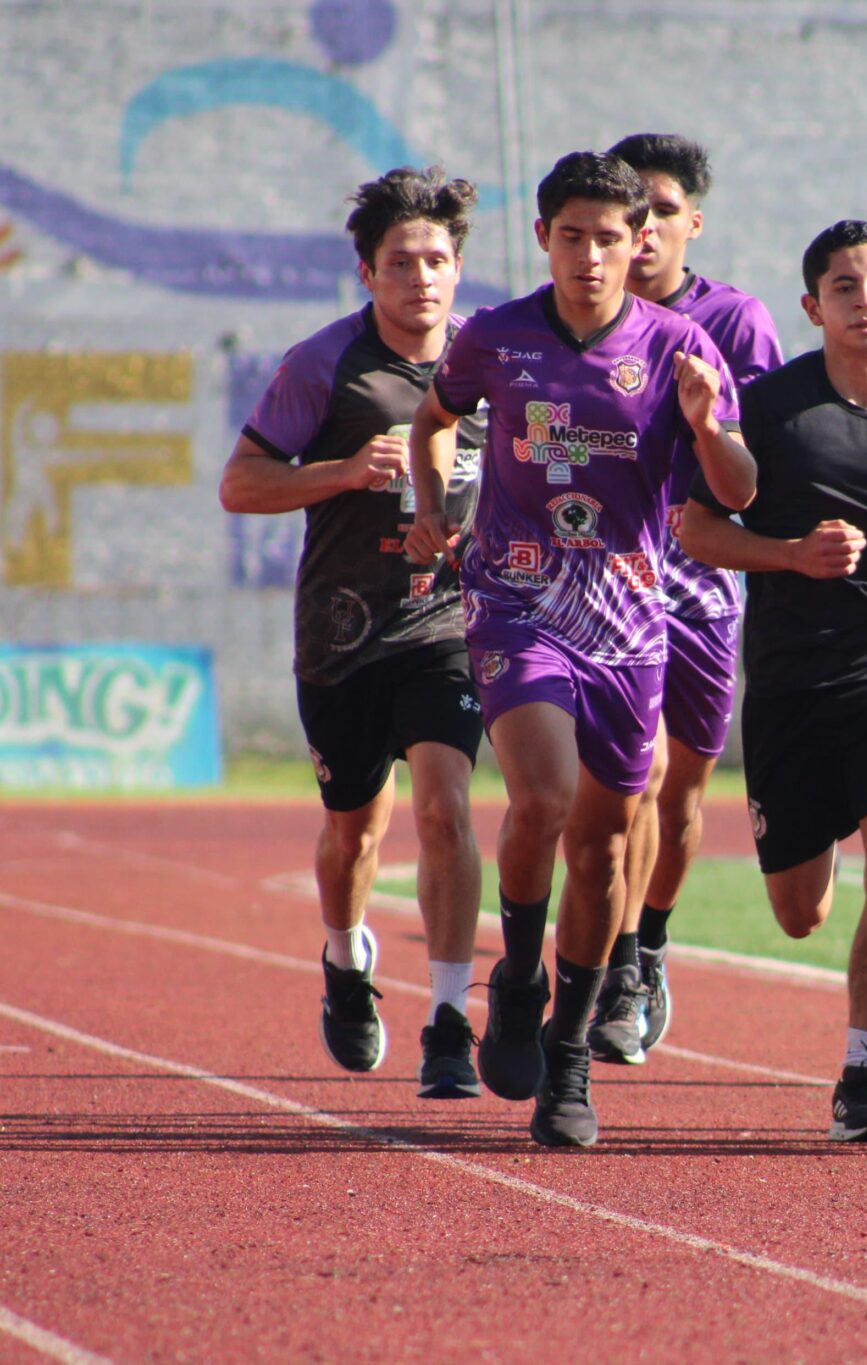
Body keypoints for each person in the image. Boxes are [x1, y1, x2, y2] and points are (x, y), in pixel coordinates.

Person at [404, 151, 751, 1148]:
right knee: (543, 798)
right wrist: (435, 510)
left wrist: (704, 422)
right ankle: (515, 976)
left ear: (639, 242)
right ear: (544, 238)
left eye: (611, 238)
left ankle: (567, 1057)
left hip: (629, 614)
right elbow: (435, 421)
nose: (591, 255)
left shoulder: (681, 345)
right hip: (517, 593)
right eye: (572, 236)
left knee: (602, 843)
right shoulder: (497, 337)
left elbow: (736, 490)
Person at [681, 220, 867, 1141]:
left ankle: (863, 1075)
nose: (863, 301)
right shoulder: (770, 408)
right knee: (801, 910)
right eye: (842, 288)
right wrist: (790, 555)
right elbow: (696, 532)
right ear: (813, 307)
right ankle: (825, 836)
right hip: (791, 680)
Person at [219, 166, 487, 1101]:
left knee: (448, 808)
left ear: (460, 269)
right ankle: (345, 953)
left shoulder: (489, 364)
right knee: (354, 834)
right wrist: (338, 471)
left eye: (438, 260)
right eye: (402, 262)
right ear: (367, 273)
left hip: (447, 623)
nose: (422, 277)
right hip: (341, 634)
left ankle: (450, 1020)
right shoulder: (324, 363)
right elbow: (241, 485)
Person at [587, 133, 786, 1065]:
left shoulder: (737, 323)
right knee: (632, 785)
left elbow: (761, 467)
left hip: (706, 586)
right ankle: (613, 964)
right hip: (605, 588)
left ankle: (652, 938)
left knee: (683, 795)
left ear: (691, 223)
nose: (649, 229)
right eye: (638, 213)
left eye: (666, 211)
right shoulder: (581, 321)